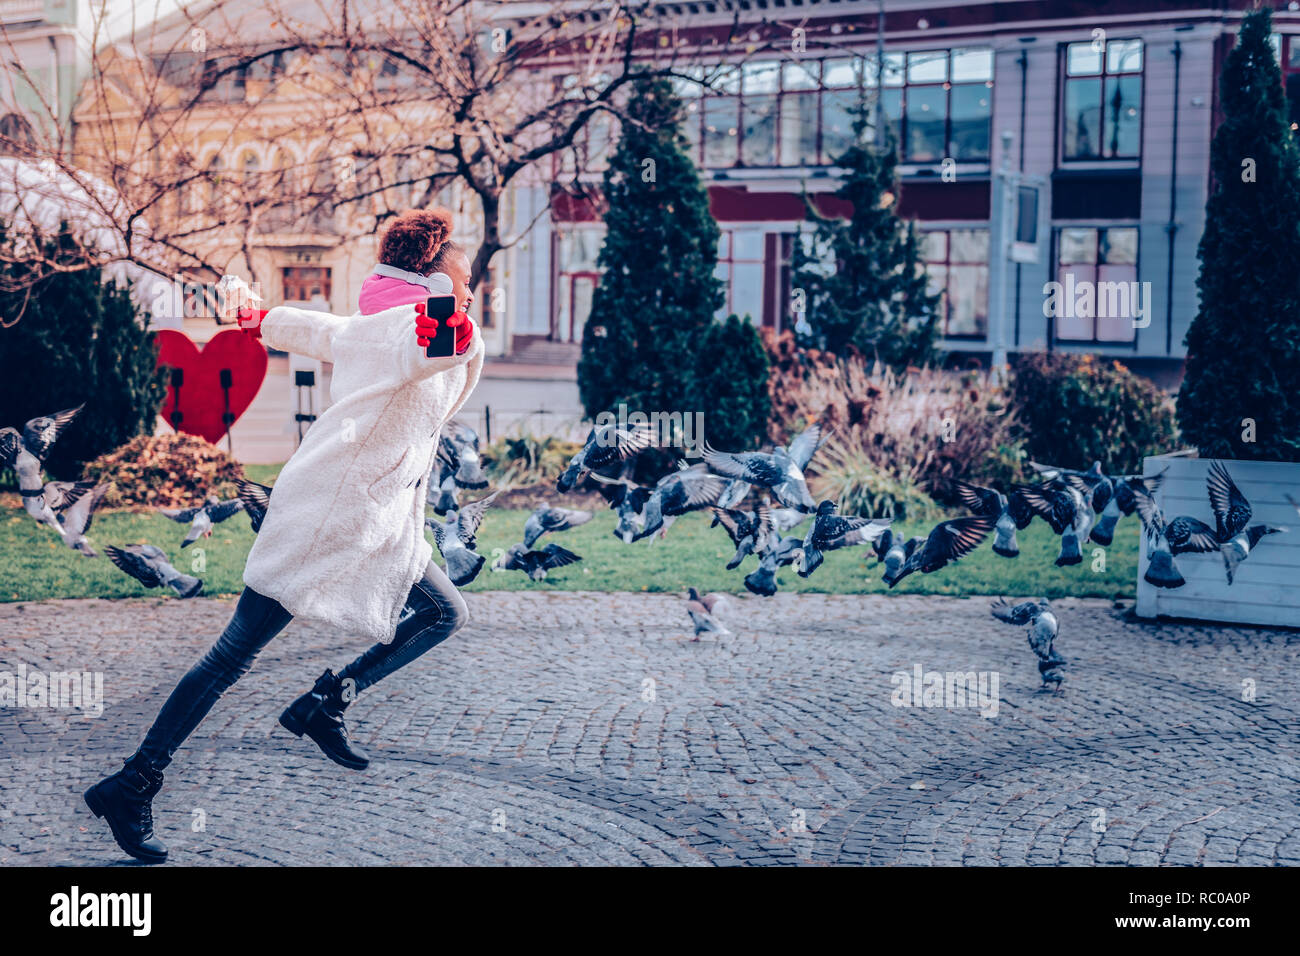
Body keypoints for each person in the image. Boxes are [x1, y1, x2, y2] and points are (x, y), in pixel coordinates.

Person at [83, 209, 483, 864]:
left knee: (446, 612)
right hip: (325, 517)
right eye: (463, 281)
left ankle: (327, 701)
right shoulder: (410, 334)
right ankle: (134, 782)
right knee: (229, 658)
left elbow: (323, 331)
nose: (471, 292)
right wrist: (449, 312)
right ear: (429, 281)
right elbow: (436, 338)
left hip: (378, 521)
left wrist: (258, 317)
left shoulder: (378, 329)